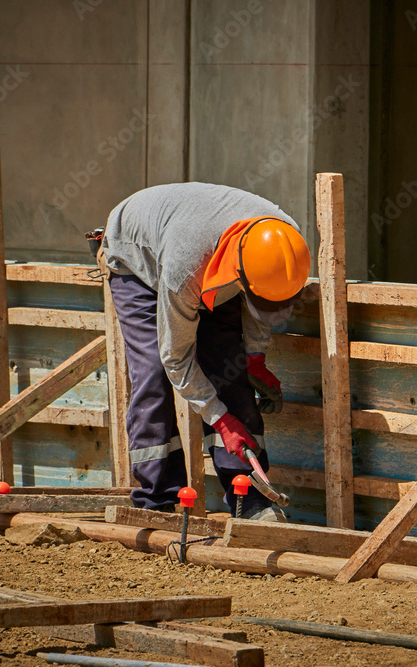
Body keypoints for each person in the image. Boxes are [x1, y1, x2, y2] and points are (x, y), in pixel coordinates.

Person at [100, 182, 310, 520]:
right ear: (238, 271)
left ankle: (250, 499)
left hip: (202, 241)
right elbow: (175, 358)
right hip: (136, 256)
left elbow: (260, 303)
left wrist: (255, 358)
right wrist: (221, 420)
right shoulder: (187, 269)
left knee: (231, 365)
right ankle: (160, 499)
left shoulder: (285, 242)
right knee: (154, 371)